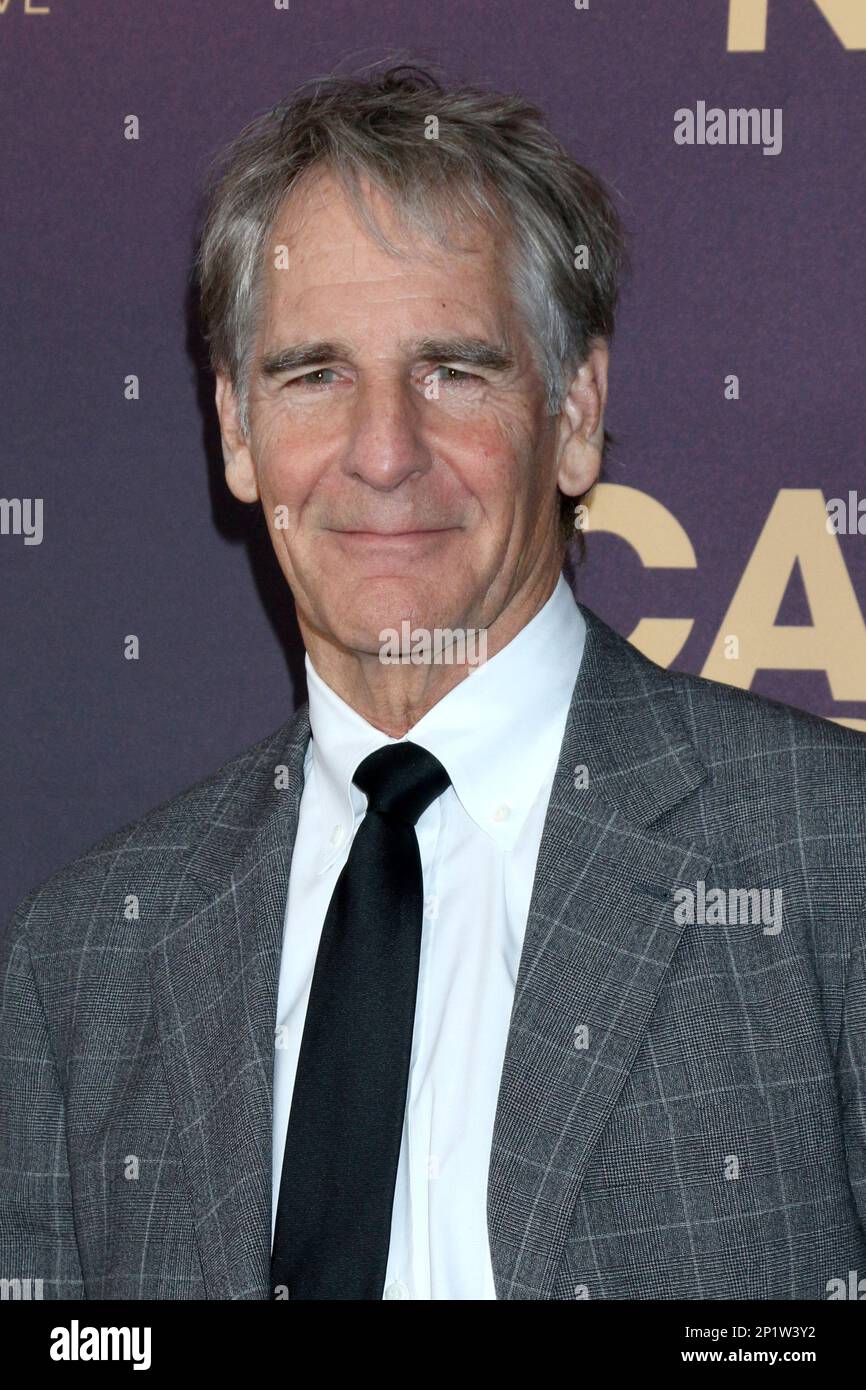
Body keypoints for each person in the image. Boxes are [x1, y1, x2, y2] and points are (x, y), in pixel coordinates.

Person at [2, 62, 864, 1302]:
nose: (383, 451)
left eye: (453, 369)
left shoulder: (827, 858)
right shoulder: (83, 959)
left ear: (572, 414)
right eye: (313, 375)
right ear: (237, 434)